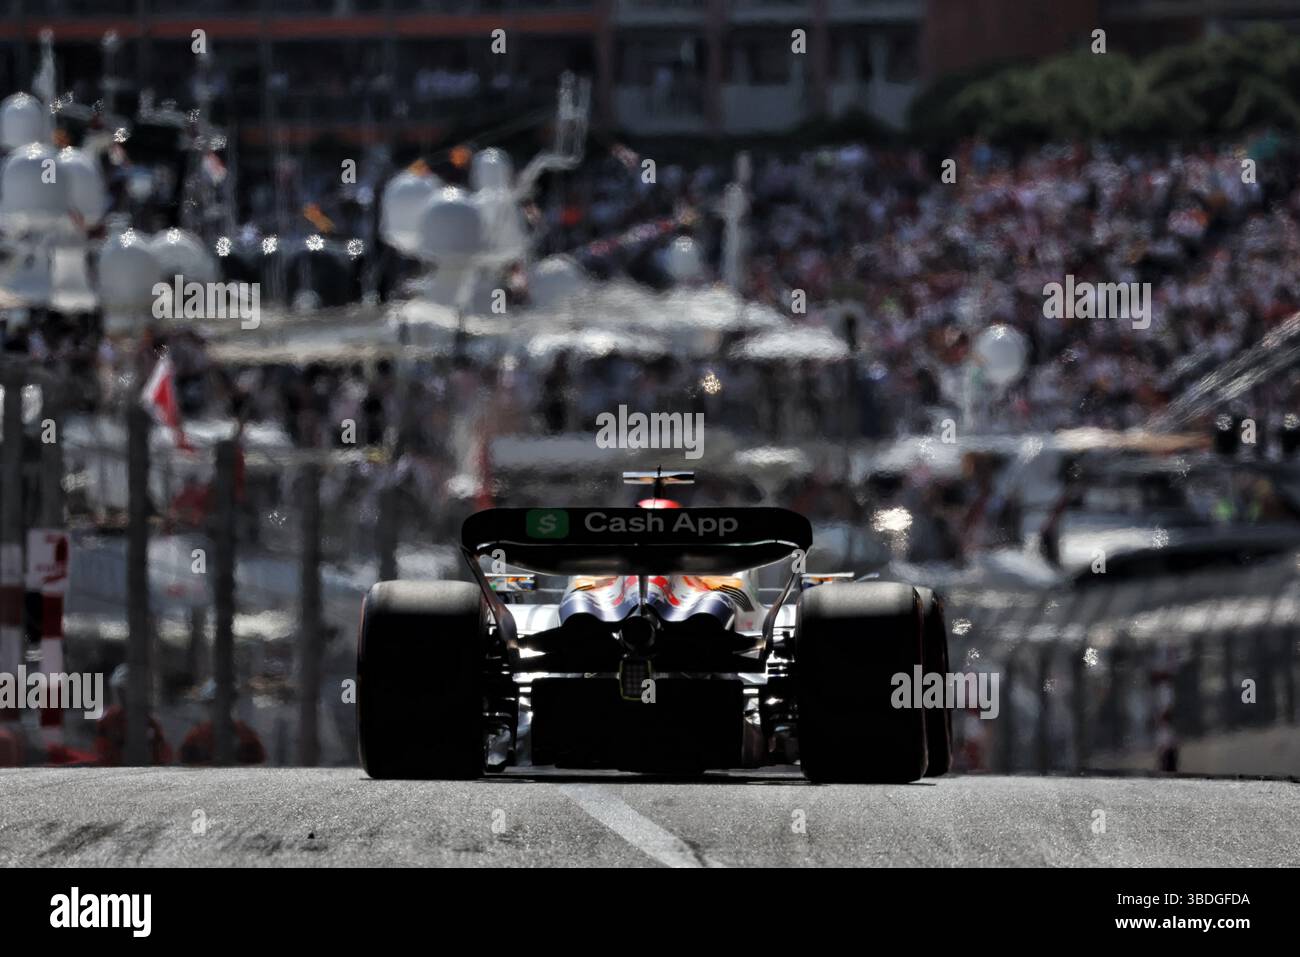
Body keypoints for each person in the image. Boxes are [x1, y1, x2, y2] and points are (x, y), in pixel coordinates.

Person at [95, 665, 173, 766]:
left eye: (125, 692)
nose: (122, 696)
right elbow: (102, 754)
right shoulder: (108, 720)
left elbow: (162, 755)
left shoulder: (150, 722)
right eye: (120, 692)